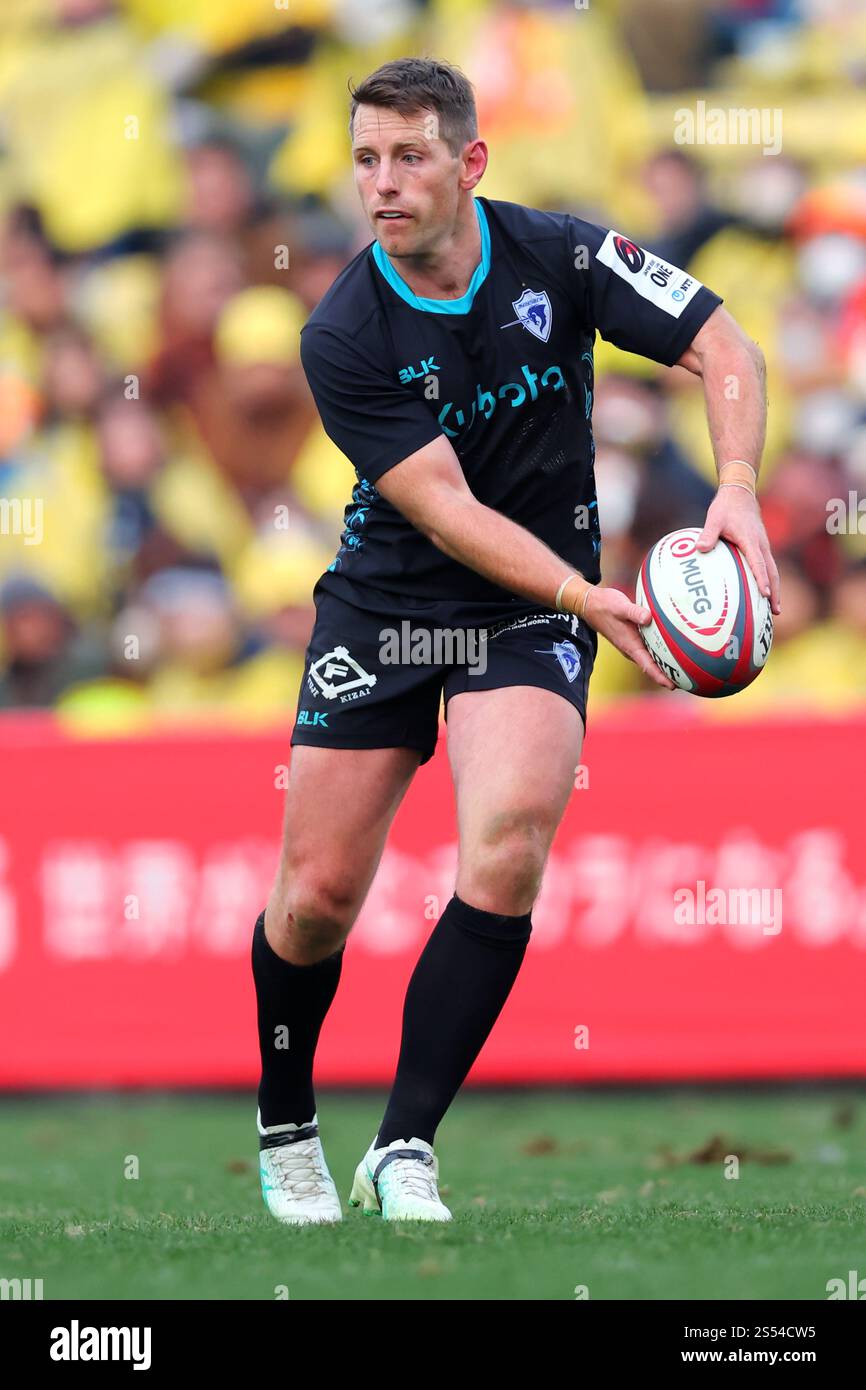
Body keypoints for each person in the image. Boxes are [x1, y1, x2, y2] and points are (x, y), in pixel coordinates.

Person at [251, 57, 780, 1224]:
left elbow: (724, 348)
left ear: (467, 162)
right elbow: (445, 512)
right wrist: (587, 593)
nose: (379, 184)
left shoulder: (561, 255)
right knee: (317, 895)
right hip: (390, 607)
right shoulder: (342, 329)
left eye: (407, 157)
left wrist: (734, 486)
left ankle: (402, 1148)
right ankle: (286, 1118)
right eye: (363, 160)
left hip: (526, 613)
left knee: (506, 848)